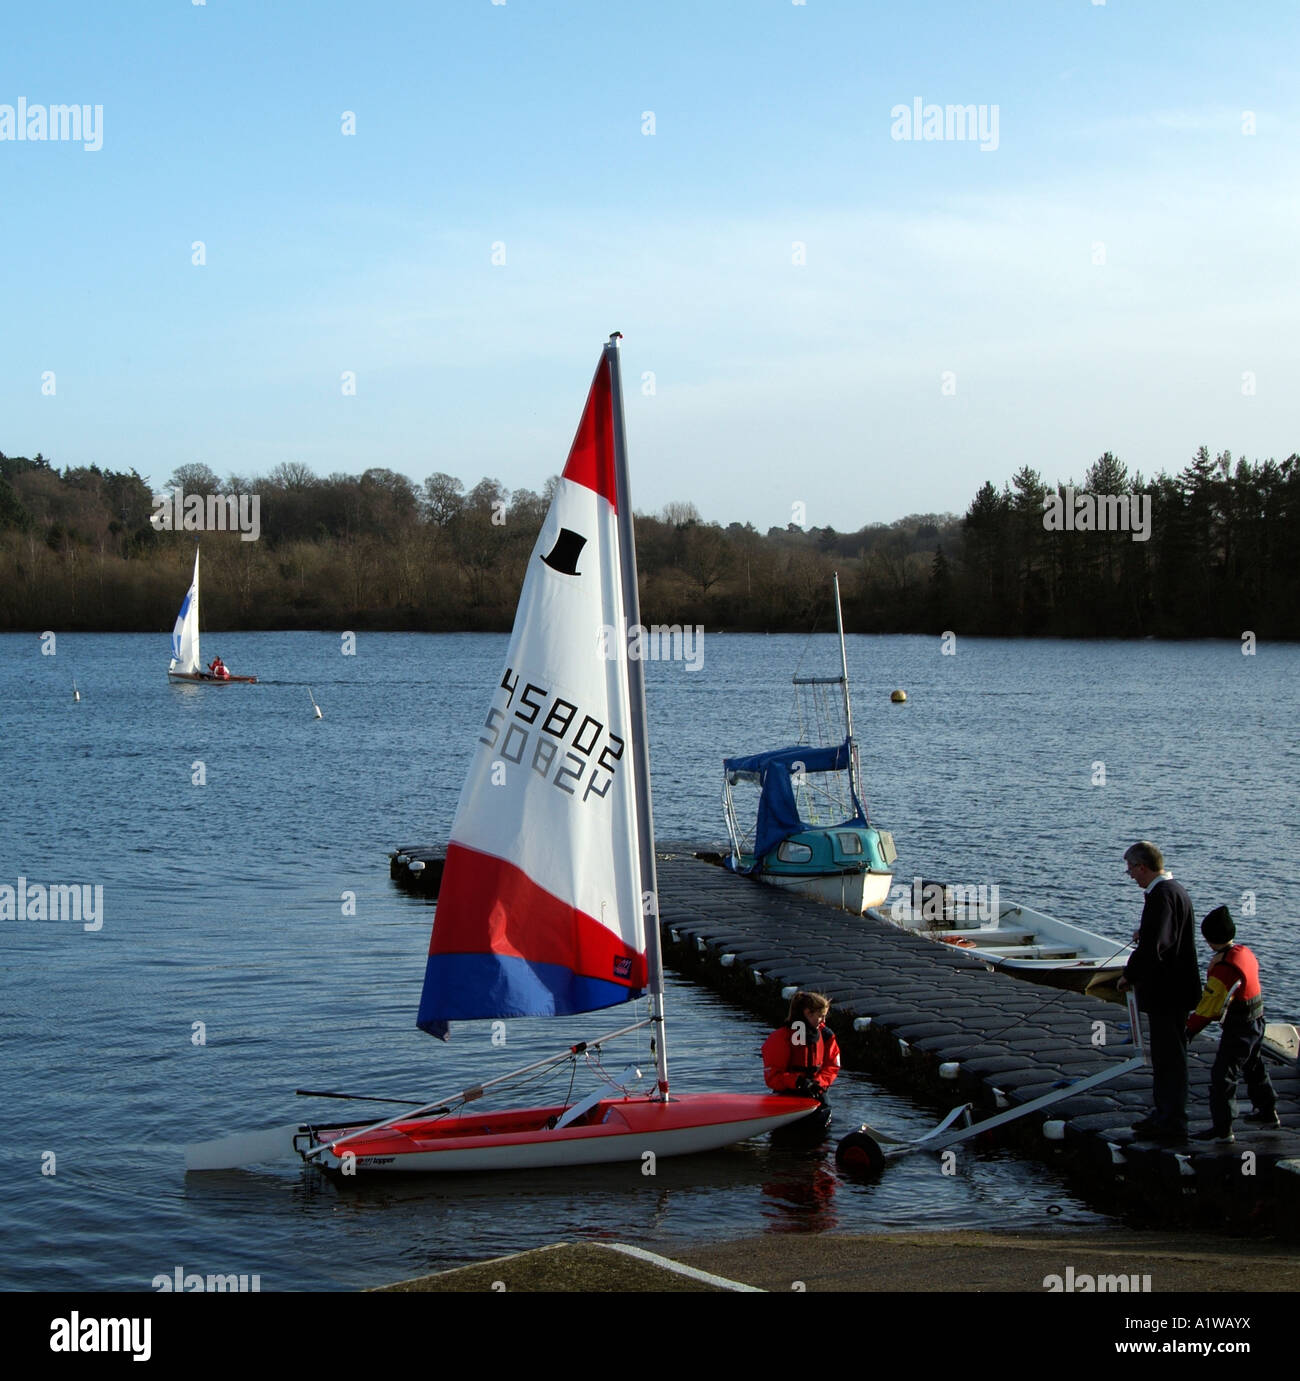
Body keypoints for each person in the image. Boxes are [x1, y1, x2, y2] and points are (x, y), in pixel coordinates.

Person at [1116, 841, 1201, 1141]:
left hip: (1169, 992)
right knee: (1168, 1055)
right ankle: (1164, 1113)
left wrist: (1130, 974)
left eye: (1131, 869)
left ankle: (1172, 1120)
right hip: (1176, 989)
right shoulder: (1174, 890)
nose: (1130, 876)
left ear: (1143, 867)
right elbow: (1163, 935)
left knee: (1169, 1058)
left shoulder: (1160, 896)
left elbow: (1156, 947)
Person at [1186, 906, 1279, 1143]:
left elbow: (1210, 1006)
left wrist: (1190, 1029)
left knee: (1223, 1075)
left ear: (1209, 939)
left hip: (1240, 1028)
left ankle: (1223, 1129)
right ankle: (1268, 1113)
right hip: (1257, 1020)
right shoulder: (1244, 952)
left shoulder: (1225, 967)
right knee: (1254, 1066)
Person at [762, 990, 840, 1105]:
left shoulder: (826, 1036)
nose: (824, 1021)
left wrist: (817, 1083)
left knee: (825, 1107)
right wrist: (799, 1082)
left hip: (815, 1090)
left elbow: (832, 1066)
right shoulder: (781, 1037)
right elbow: (773, 1077)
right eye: (820, 1016)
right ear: (808, 1013)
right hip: (787, 1092)